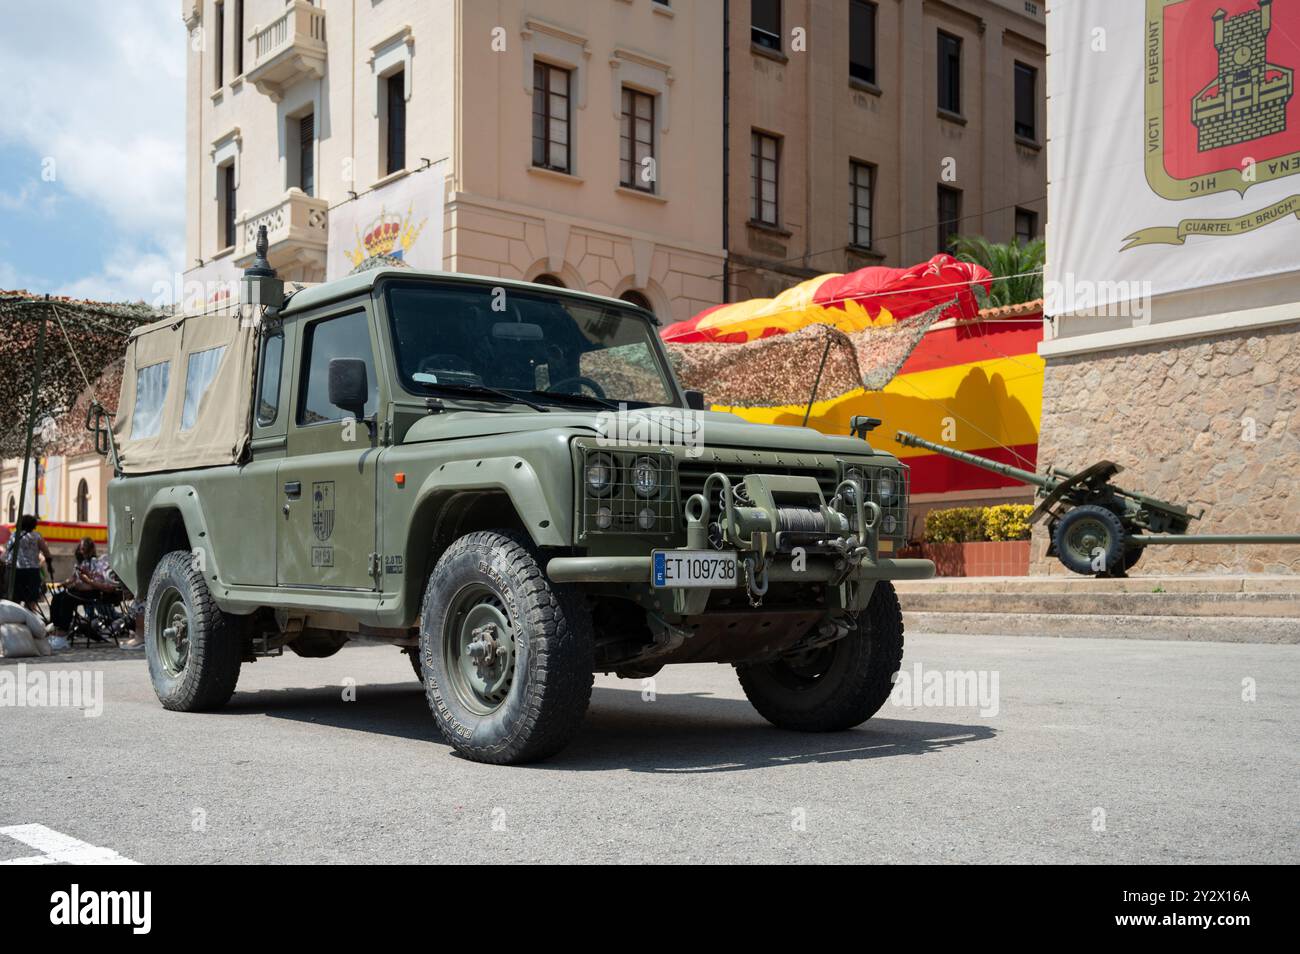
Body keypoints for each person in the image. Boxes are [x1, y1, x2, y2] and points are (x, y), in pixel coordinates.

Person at [48, 537, 119, 642]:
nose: (81, 551)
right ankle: (56, 628)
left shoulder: (100, 562)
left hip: (93, 593)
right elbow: (76, 577)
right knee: (57, 597)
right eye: (81, 548)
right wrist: (68, 583)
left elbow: (103, 585)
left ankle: (62, 634)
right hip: (82, 591)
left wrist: (87, 581)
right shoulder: (83, 563)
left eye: (84, 548)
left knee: (66, 600)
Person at [3, 515, 52, 615]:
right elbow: (46, 552)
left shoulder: (14, 535)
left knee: (14, 600)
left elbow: (8, 551)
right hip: (31, 572)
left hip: (14, 571)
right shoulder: (36, 536)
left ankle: (14, 619)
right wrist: (49, 564)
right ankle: (28, 620)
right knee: (30, 601)